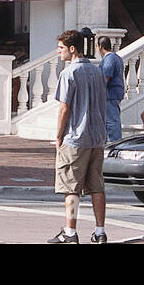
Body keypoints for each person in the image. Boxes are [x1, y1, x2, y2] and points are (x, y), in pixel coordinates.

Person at [48, 29, 108, 244]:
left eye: (61, 48)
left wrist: (58, 135)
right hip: (97, 136)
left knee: (71, 187)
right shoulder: (97, 71)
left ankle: (70, 232)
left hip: (76, 136)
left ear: (72, 49)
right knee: (97, 186)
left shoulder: (69, 73)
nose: (59, 52)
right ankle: (100, 231)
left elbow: (65, 107)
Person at [98, 36, 124, 142]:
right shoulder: (116, 57)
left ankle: (115, 143)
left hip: (110, 94)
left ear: (100, 47)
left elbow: (106, 77)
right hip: (114, 93)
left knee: (111, 121)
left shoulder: (109, 59)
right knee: (108, 121)